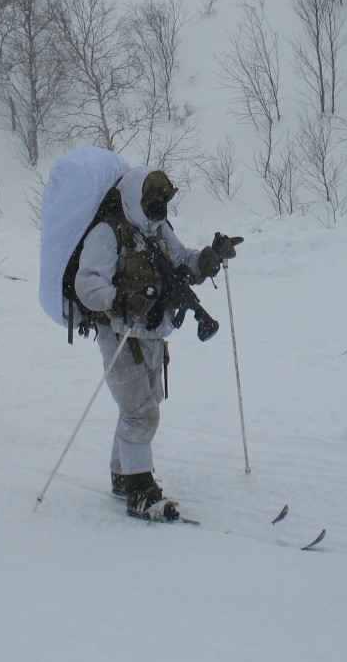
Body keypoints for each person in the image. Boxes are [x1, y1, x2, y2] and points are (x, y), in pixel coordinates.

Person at [74, 166, 241, 521]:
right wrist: (119, 300)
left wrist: (209, 258)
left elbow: (180, 262)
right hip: (119, 333)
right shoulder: (107, 234)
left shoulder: (158, 228)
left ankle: (122, 475)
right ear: (135, 197)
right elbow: (87, 285)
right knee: (140, 411)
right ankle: (138, 488)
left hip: (152, 331)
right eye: (152, 198)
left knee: (146, 403)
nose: (159, 205)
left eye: (163, 198)